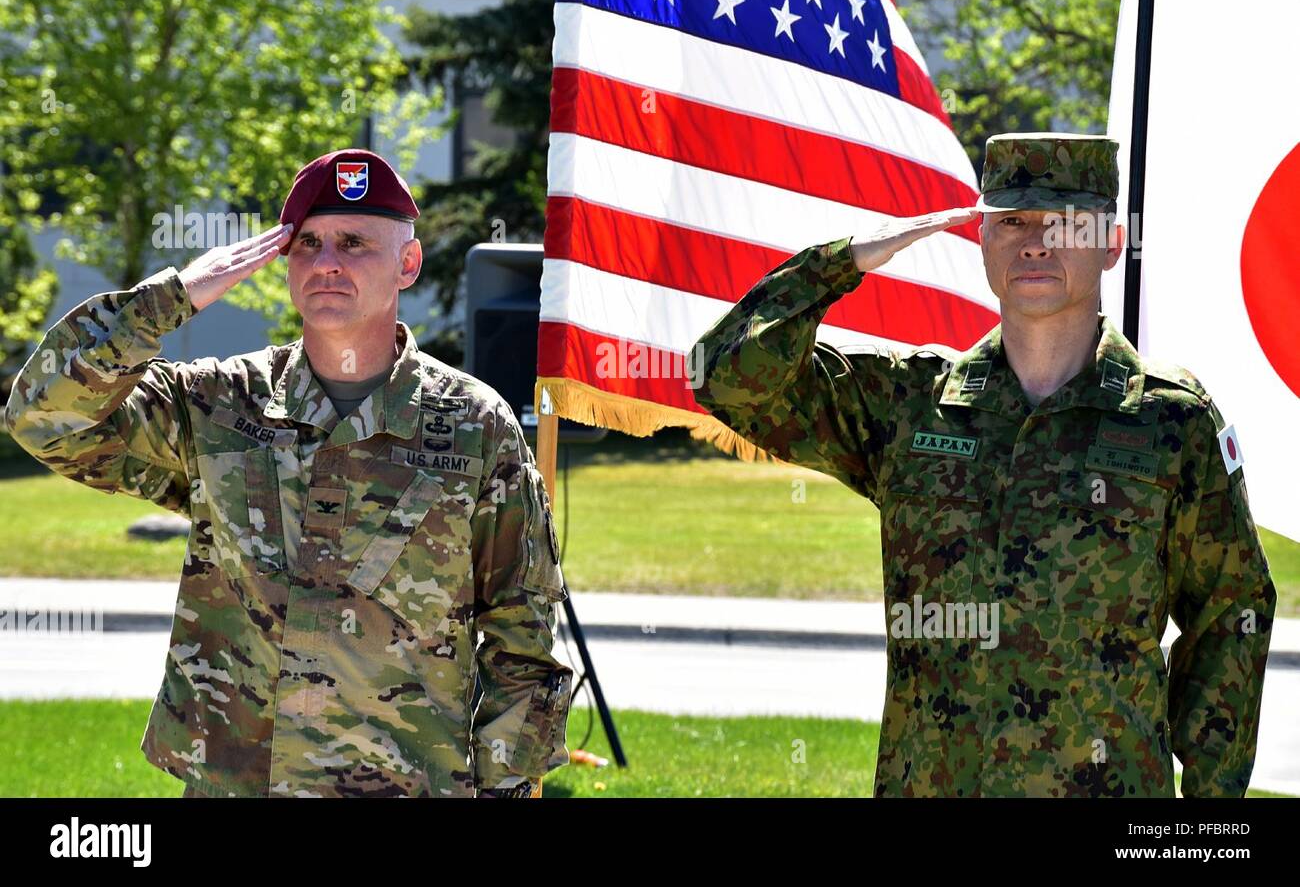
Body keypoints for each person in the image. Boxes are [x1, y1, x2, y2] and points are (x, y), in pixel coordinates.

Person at [693, 132, 1275, 797]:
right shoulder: (912, 404)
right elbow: (723, 375)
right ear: (982, 242)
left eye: (1065, 224)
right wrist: (841, 262)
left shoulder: (1171, 422)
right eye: (1012, 222)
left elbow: (1230, 616)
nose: (1035, 242)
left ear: (1112, 243)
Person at [5, 148, 572, 798]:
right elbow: (42, 415)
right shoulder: (219, 404)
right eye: (307, 244)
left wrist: (503, 789)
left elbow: (522, 636)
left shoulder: (473, 425)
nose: (327, 262)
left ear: (407, 264)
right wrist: (172, 299)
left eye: (355, 242)